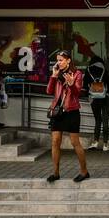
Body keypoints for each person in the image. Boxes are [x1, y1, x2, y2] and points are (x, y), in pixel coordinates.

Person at [45, 50, 90, 183]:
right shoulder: (57, 73)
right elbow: (48, 91)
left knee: (75, 142)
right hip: (57, 112)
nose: (58, 62)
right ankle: (56, 173)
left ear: (68, 60)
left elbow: (77, 93)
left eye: (61, 60)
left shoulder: (77, 74)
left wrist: (71, 83)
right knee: (55, 142)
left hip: (71, 111)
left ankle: (84, 171)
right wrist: (53, 76)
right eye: (57, 60)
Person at [85, 54, 109, 152]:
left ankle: (95, 142)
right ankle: (105, 145)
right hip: (106, 97)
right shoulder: (104, 70)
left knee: (97, 120)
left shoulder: (88, 70)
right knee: (105, 120)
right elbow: (108, 85)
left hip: (94, 98)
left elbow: (85, 85)